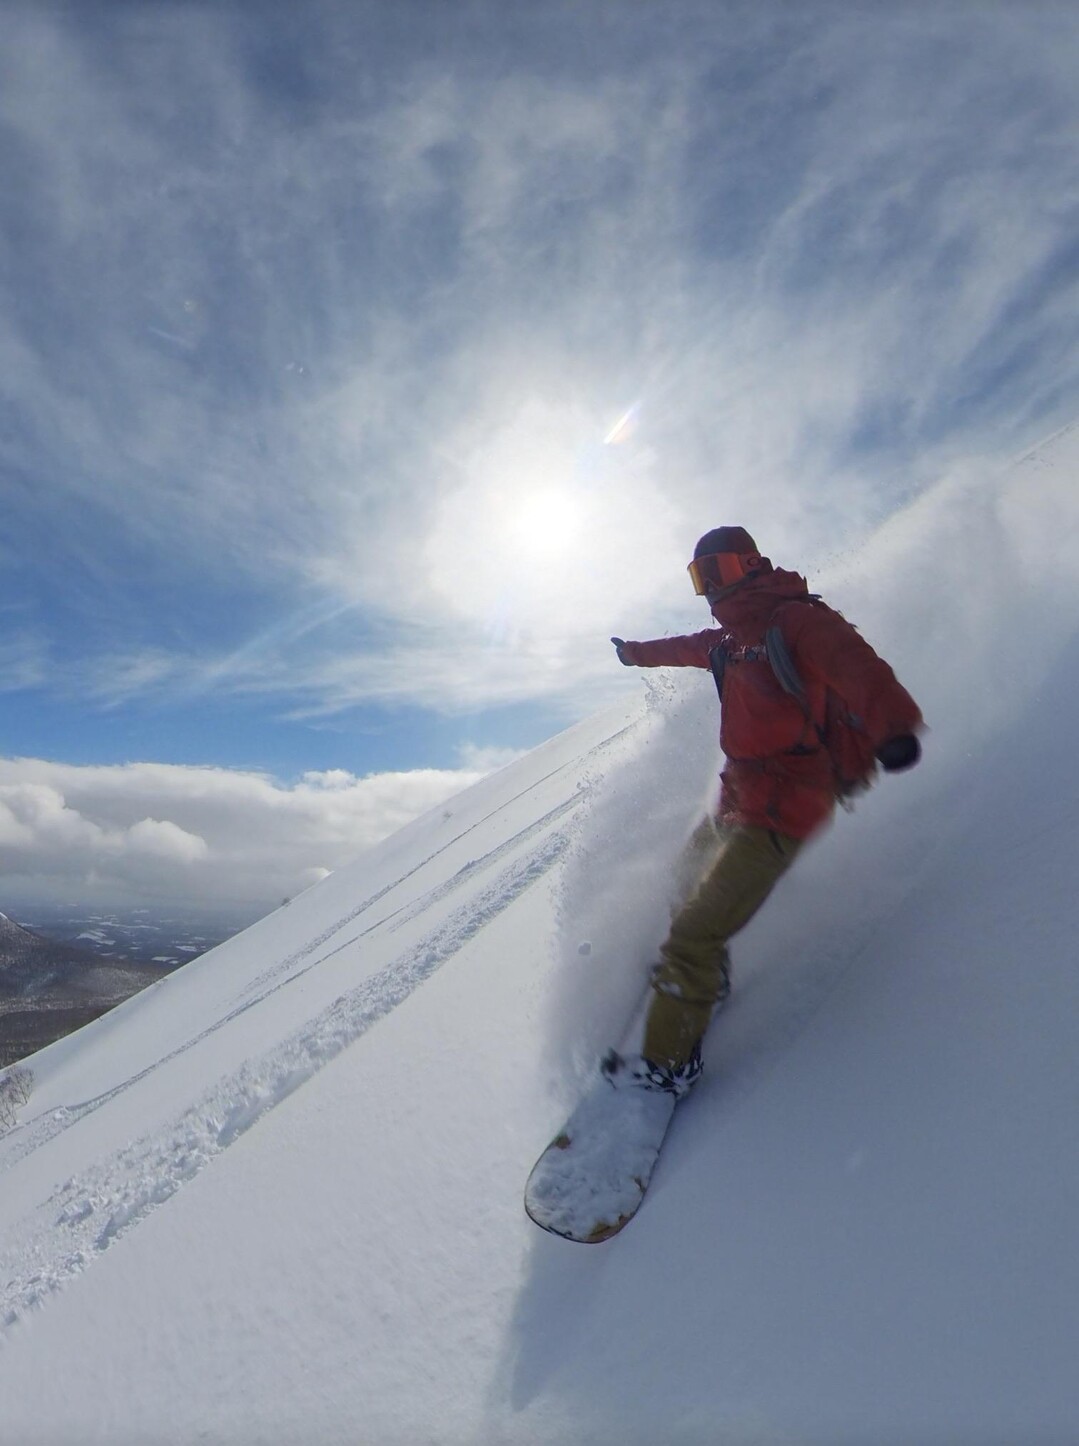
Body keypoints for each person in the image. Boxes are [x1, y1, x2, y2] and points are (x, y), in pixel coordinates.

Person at [605, 526, 923, 1096]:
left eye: (715, 574)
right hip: (739, 794)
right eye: (698, 579)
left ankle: (668, 1068)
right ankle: (709, 980)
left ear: (748, 564)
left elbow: (861, 669)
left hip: (787, 807)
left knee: (692, 936)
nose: (707, 590)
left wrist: (894, 729)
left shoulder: (798, 622)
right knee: (683, 884)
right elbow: (681, 647)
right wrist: (634, 654)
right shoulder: (726, 641)